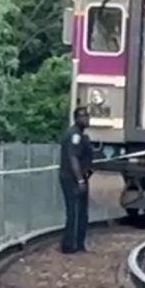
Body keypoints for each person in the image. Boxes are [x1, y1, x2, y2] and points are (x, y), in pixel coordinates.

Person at [58, 106, 94, 253]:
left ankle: (79, 243)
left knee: (82, 212)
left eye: (87, 116)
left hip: (80, 177)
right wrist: (80, 180)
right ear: (76, 118)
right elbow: (73, 158)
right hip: (71, 178)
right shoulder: (74, 135)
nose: (86, 119)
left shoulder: (81, 135)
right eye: (82, 116)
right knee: (74, 211)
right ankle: (69, 245)